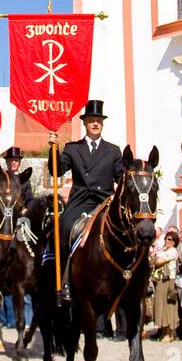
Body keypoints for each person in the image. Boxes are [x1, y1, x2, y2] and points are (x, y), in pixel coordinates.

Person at [51, 99, 124, 304]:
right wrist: (53, 149)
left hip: (104, 202)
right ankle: (65, 280)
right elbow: (56, 169)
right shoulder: (73, 148)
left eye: (98, 120)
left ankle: (130, 277)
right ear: (85, 123)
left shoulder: (113, 150)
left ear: (102, 124)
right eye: (91, 120)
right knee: (64, 227)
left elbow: (121, 177)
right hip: (81, 202)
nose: (95, 124)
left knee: (126, 229)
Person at [150, 227, 180, 341]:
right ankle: (163, 331)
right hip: (161, 280)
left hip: (168, 281)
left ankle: (169, 333)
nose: (168, 241)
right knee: (160, 305)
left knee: (168, 306)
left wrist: (156, 257)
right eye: (167, 238)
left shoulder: (172, 251)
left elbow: (157, 261)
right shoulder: (165, 249)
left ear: (175, 241)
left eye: (170, 239)